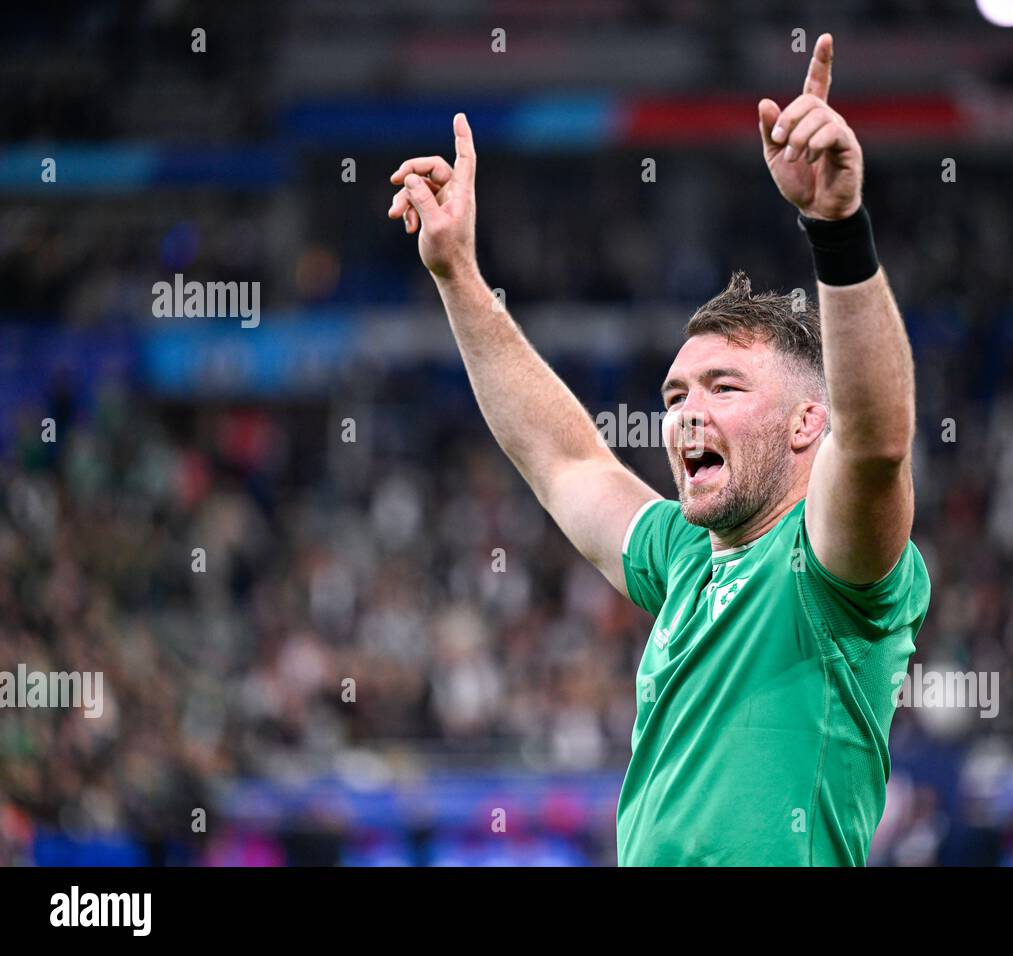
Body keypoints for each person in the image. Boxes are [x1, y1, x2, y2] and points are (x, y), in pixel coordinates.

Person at [386, 33, 929, 865]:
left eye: (725, 387)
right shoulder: (684, 555)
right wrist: (458, 274)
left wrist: (837, 229)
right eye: (675, 396)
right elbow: (564, 460)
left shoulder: (831, 567)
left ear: (806, 423)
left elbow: (880, 443)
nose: (685, 415)